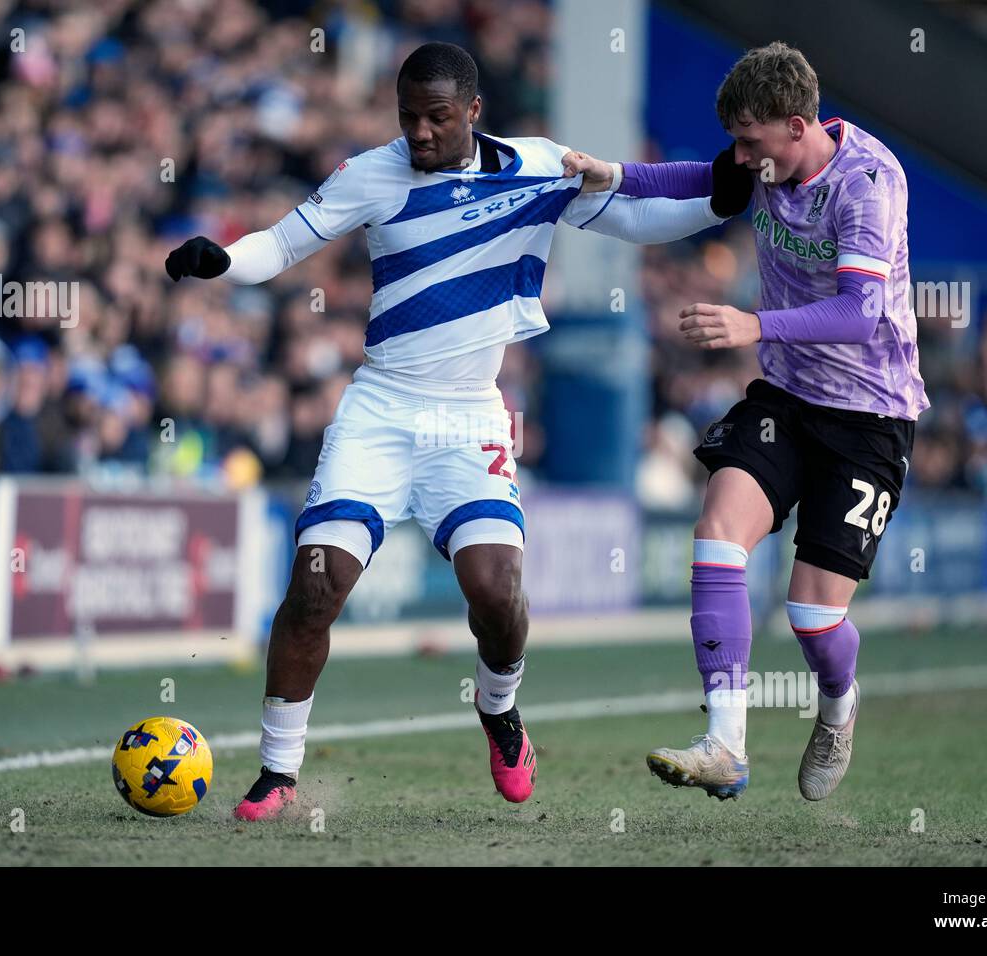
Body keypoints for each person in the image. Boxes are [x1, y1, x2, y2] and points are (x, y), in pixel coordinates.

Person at [166, 41, 735, 820]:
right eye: (409, 118)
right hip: (381, 408)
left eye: (437, 117)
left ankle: (500, 710)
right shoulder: (373, 173)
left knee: (495, 592)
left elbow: (635, 219)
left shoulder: (538, 166)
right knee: (315, 589)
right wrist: (222, 260)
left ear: (473, 110)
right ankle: (276, 771)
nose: (421, 134)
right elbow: (287, 241)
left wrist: (725, 196)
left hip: (469, 414)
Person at [563, 41, 928, 801]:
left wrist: (755, 325)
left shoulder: (867, 182)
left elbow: (863, 315)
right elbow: (704, 178)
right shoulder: (762, 162)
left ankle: (838, 704)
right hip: (789, 401)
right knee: (718, 534)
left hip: (870, 418)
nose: (741, 154)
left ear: (799, 127)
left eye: (752, 141)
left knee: (810, 620)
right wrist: (615, 174)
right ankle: (725, 742)